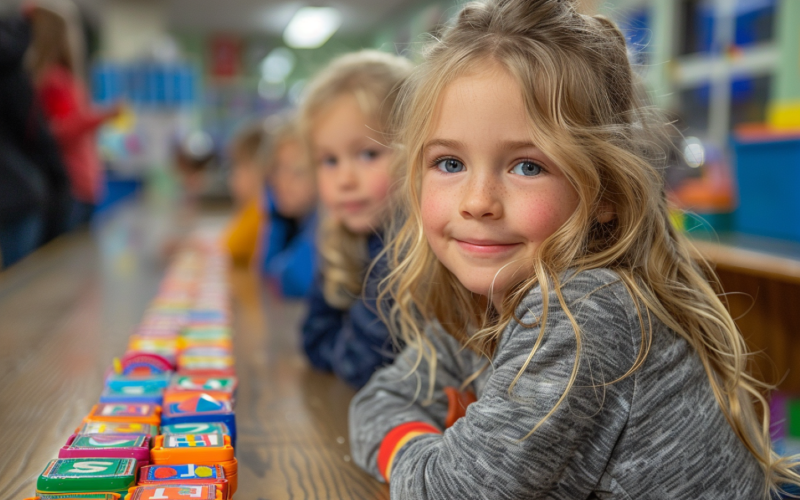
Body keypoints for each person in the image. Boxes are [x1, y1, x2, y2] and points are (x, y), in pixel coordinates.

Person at [349, 0, 798, 498]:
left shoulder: (583, 310)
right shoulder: (484, 301)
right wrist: (428, 447)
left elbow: (452, 491)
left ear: (604, 193)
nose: (477, 203)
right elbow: (378, 399)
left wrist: (424, 448)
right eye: (450, 163)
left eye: (527, 167)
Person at [299, 50, 412, 388]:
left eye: (368, 154)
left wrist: (340, 350)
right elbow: (313, 341)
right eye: (329, 160)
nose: (345, 180)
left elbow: (361, 366)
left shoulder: (405, 250)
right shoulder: (346, 237)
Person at [27, 0, 119, 229]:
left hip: (82, 181)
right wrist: (102, 116)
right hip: (72, 181)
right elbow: (59, 130)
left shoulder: (60, 78)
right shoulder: (55, 80)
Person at [0, 10, 70, 268]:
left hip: (17, 190)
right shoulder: (16, 74)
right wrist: (59, 178)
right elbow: (37, 134)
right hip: (20, 190)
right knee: (19, 282)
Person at [258, 115, 318, 298]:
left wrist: (274, 215)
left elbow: (290, 281)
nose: (282, 182)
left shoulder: (322, 225)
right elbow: (265, 271)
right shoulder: (292, 222)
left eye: (297, 172)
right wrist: (273, 215)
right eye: (276, 169)